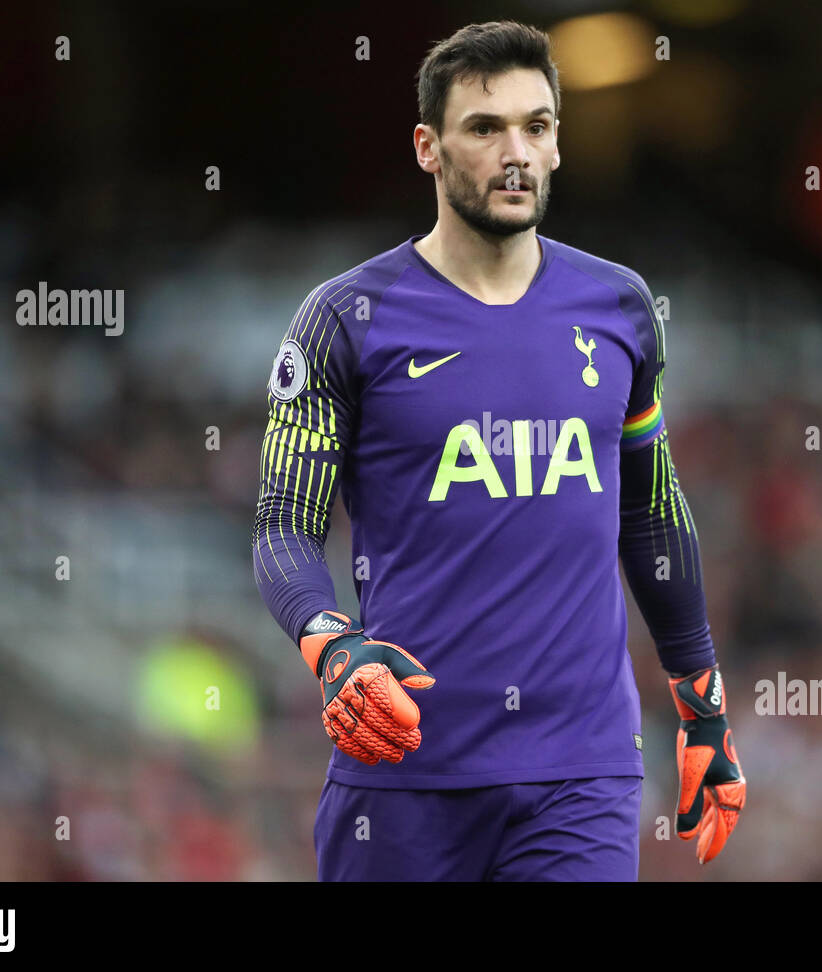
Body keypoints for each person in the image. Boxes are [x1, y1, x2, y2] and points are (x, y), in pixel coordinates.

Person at [253, 20, 744, 881]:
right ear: (428, 148)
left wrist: (702, 709)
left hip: (580, 774)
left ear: (557, 145)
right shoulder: (344, 320)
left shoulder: (621, 308)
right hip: (403, 768)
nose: (515, 151)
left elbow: (651, 513)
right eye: (485, 128)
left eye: (537, 126)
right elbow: (281, 526)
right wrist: (331, 644)